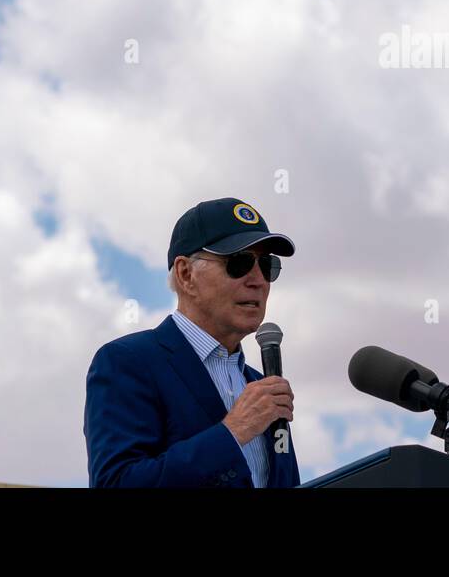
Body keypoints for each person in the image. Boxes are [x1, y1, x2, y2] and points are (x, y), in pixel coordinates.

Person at [84, 197, 299, 487]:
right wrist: (233, 431)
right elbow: (118, 483)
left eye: (267, 264)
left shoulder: (262, 387)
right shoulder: (128, 362)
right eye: (239, 263)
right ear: (186, 274)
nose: (258, 279)